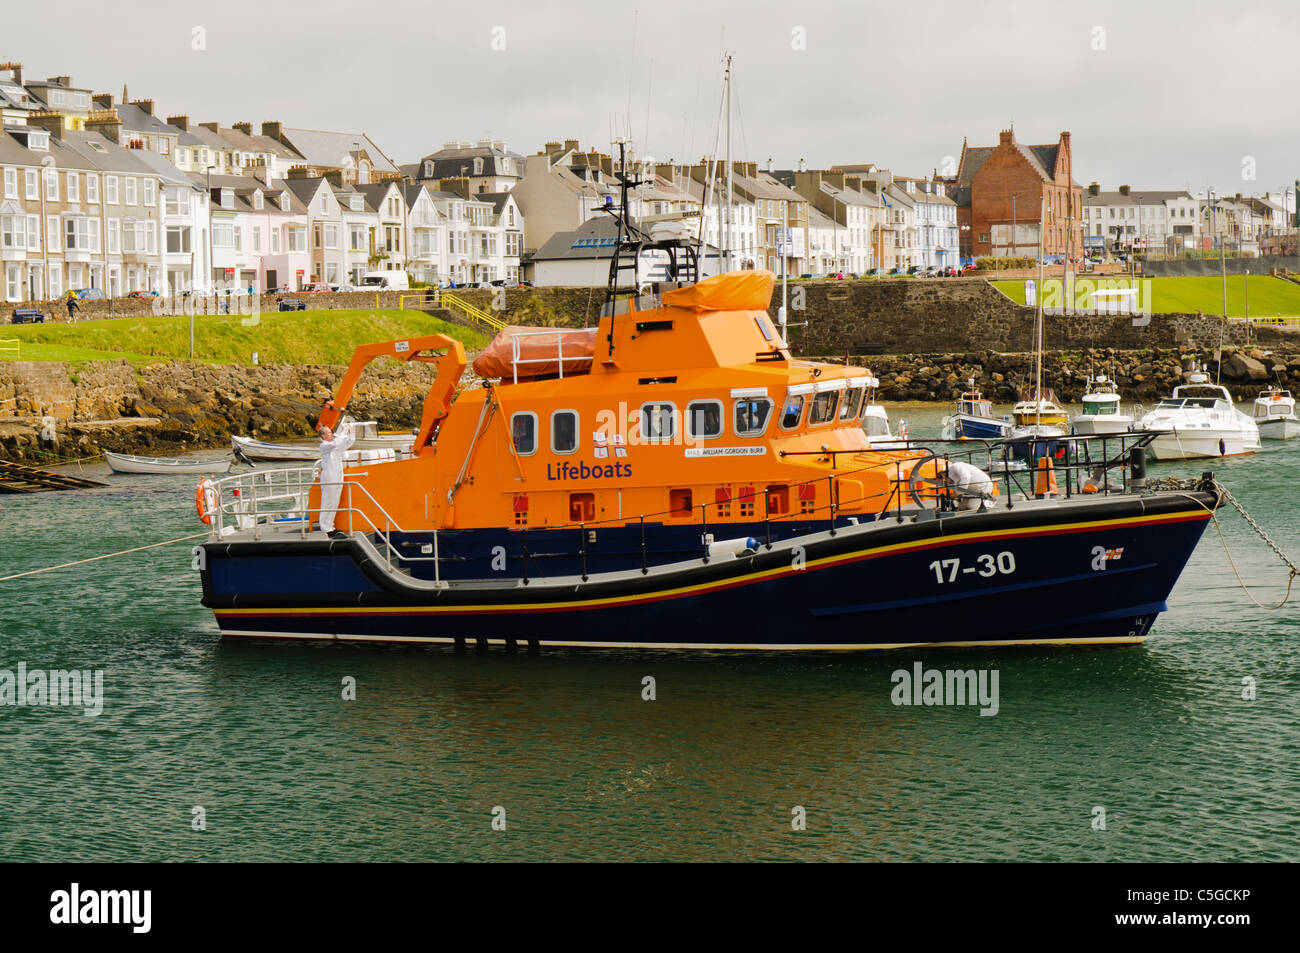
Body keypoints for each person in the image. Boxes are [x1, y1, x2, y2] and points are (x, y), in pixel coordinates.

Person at [317, 416, 355, 539]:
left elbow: (348, 442)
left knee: (335, 502)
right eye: (328, 432)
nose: (331, 434)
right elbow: (336, 443)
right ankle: (325, 528)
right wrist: (342, 432)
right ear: (323, 436)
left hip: (338, 475)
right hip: (329, 476)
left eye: (331, 432)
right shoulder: (324, 446)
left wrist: (351, 431)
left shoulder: (335, 445)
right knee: (327, 501)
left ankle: (330, 526)